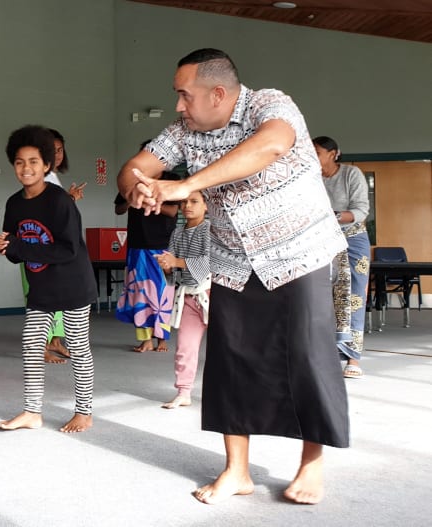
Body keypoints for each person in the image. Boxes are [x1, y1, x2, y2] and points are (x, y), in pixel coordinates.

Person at [119, 48, 348, 505]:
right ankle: (236, 470)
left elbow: (271, 145)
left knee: (306, 355)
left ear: (218, 93)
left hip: (299, 251)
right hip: (232, 260)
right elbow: (137, 166)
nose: (179, 106)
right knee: (230, 361)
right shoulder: (183, 132)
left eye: (184, 95)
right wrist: (139, 186)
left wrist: (186, 185)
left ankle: (311, 464)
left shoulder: (271, 104)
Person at [0, 125, 98, 434]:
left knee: (78, 347)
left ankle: (85, 412)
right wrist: (7, 248)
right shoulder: (14, 204)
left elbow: (67, 249)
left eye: (34, 162)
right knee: (31, 344)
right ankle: (32, 412)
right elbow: (15, 252)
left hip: (74, 284)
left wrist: (20, 247)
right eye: (20, 162)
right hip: (41, 285)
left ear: (47, 165)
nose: (26, 168)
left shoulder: (60, 202)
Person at [25, 129, 85, 363]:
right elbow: (44, 212)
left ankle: (55, 341)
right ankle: (42, 347)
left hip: (56, 248)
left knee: (57, 296)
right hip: (41, 247)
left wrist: (69, 199)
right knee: (43, 297)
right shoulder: (38, 176)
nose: (57, 154)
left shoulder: (53, 177)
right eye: (52, 149)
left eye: (60, 149)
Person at [313, 136, 370, 379]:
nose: (312, 156)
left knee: (354, 296)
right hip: (321, 240)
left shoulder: (351, 174)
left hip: (353, 240)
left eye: (316, 151)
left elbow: (360, 210)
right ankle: (326, 355)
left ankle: (353, 359)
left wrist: (331, 216)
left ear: (333, 153)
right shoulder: (310, 178)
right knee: (322, 296)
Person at [114, 143, 179, 354]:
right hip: (137, 245)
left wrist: (147, 202)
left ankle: (161, 338)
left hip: (163, 246)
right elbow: (118, 208)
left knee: (163, 293)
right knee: (140, 294)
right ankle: (145, 339)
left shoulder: (172, 180)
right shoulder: (132, 180)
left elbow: (172, 211)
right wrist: (131, 199)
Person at [154, 191, 210, 409]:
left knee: (224, 349)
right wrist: (167, 266)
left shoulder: (209, 230)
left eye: (194, 201)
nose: (188, 205)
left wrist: (175, 261)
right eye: (184, 201)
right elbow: (172, 269)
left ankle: (230, 392)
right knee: (185, 347)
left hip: (213, 292)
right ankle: (184, 391)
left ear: (206, 206)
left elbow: (208, 262)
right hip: (187, 295)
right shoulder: (177, 233)